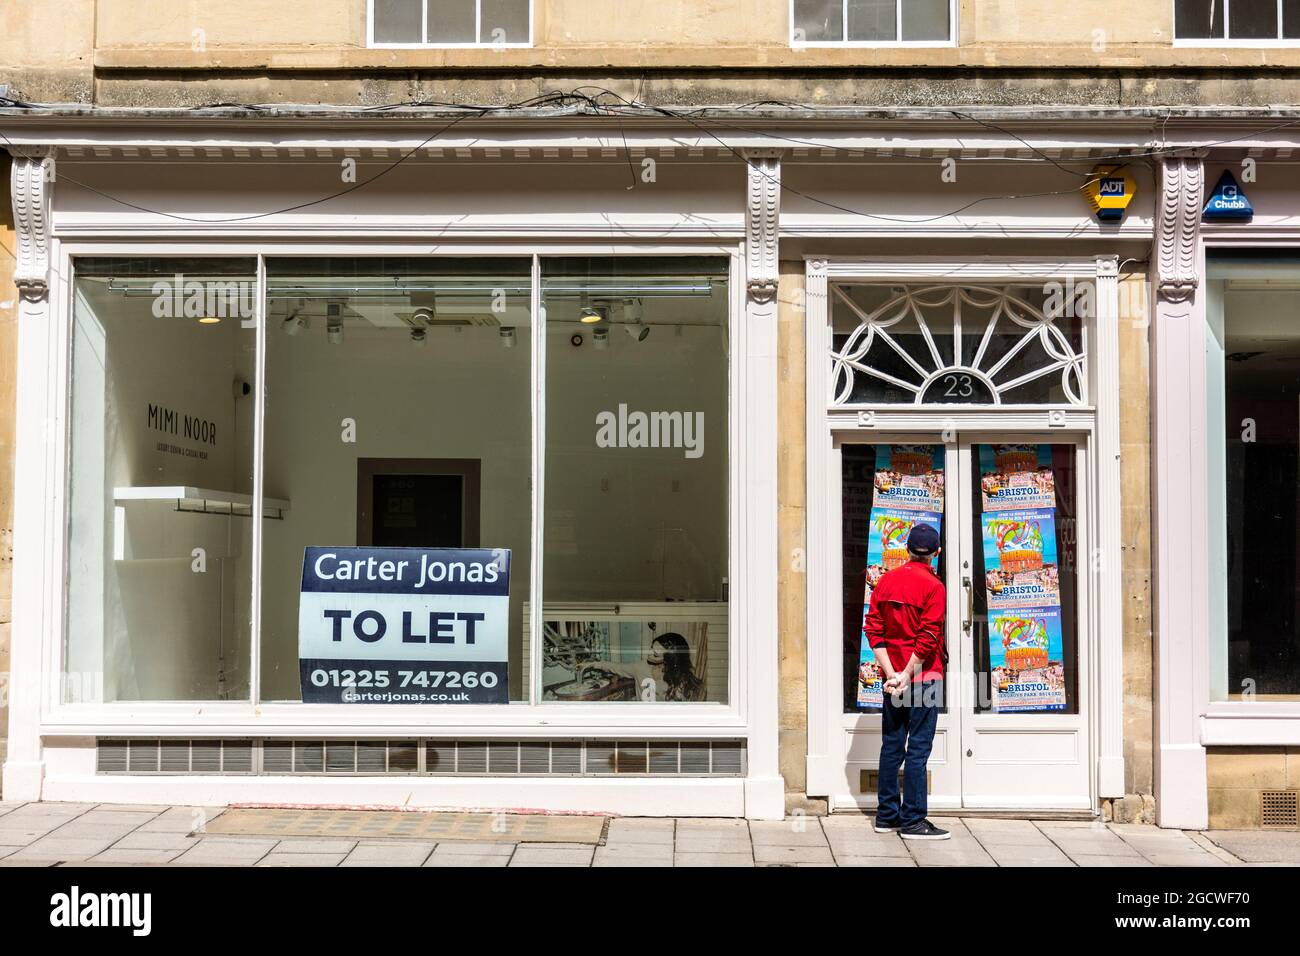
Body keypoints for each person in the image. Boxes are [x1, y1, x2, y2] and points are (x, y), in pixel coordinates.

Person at [863, 522, 950, 841]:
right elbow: (928, 637)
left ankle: (886, 816)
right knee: (917, 751)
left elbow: (873, 629)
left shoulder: (885, 581)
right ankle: (913, 820)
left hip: (894, 681)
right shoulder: (934, 587)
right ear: (936, 553)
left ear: (907, 550)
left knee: (892, 746)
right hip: (923, 678)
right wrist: (907, 673)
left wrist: (891, 673)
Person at [578, 632, 704, 702]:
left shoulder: (681, 678)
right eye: (651, 648)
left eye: (655, 654)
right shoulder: (639, 667)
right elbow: (615, 666)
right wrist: (591, 664)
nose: (649, 654)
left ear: (669, 660)